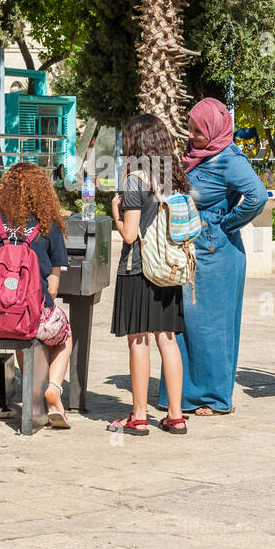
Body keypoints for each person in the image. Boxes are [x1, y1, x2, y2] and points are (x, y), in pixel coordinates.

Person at [156, 98, 266, 416]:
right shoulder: (193, 157)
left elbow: (257, 196)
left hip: (218, 256)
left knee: (213, 328)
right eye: (189, 129)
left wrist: (226, 223)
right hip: (189, 252)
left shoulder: (229, 159)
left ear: (215, 129)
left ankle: (213, 397)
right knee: (186, 323)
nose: (192, 136)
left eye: (198, 131)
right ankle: (184, 394)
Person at [0, 161, 73, 427]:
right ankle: (51, 387)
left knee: (19, 328)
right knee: (63, 334)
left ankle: (31, 393)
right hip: (30, 319)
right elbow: (51, 288)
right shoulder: (47, 226)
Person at [108, 114, 188, 435]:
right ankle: (176, 415)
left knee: (138, 341)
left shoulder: (134, 181)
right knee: (167, 340)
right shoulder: (171, 180)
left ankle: (139, 416)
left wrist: (115, 212)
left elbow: (129, 235)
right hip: (168, 268)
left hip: (139, 270)